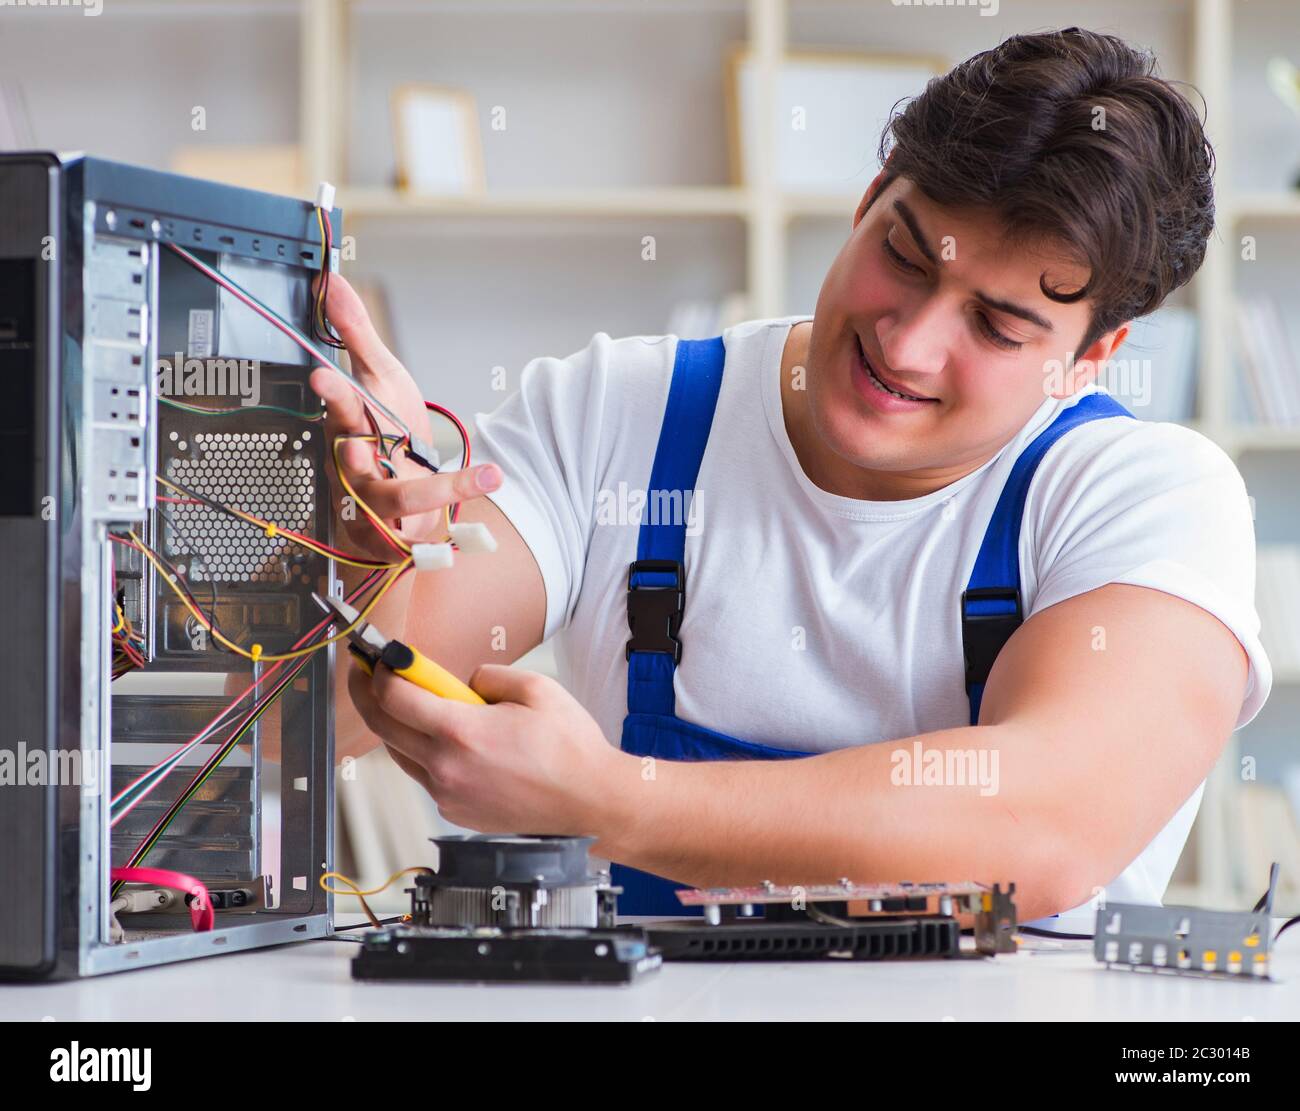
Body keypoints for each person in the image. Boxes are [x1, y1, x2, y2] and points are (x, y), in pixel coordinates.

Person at [315, 27, 1270, 930]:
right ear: (869, 201)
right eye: (904, 255)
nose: (909, 342)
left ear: (1091, 354)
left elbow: (1048, 822)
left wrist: (609, 802)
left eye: (997, 326)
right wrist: (361, 556)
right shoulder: (621, 409)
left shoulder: (1151, 496)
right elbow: (343, 712)